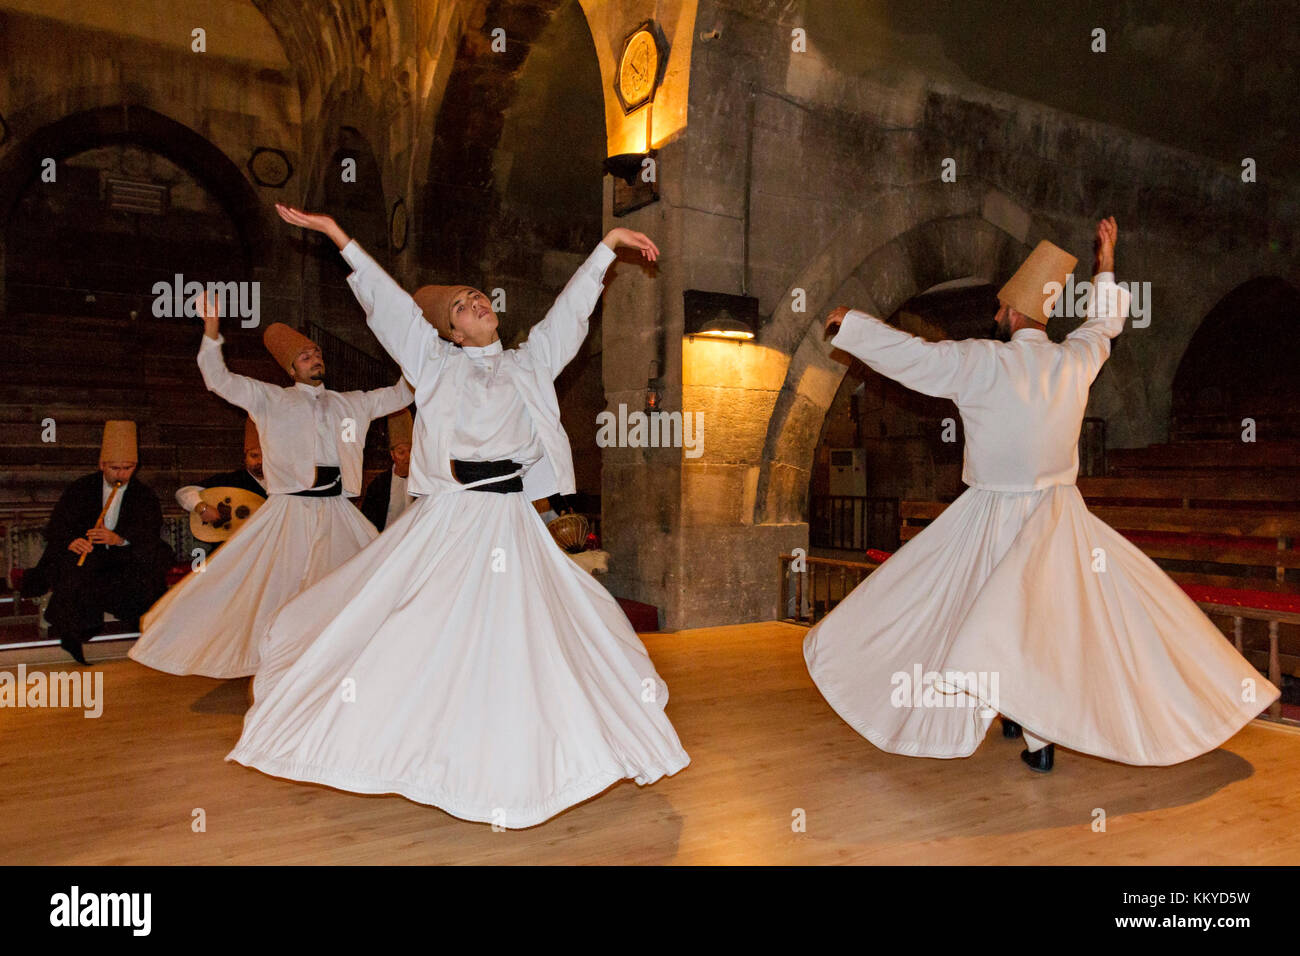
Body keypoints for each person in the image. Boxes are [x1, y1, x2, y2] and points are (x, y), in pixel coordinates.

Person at [227, 204, 689, 828]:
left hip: (510, 521)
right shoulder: (434, 365)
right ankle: (419, 741)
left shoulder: (531, 363)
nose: (477, 303)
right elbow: (387, 308)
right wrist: (340, 237)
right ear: (449, 332)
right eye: (463, 306)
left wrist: (607, 247)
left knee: (532, 634)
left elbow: (570, 314)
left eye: (480, 298)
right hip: (453, 519)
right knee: (424, 629)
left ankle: (516, 758)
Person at [804, 217, 1279, 772]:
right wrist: (1106, 264)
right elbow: (1104, 326)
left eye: (1000, 309)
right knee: (1040, 623)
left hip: (991, 515)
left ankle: (1036, 736)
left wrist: (853, 326)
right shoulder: (1073, 360)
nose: (996, 315)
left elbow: (917, 359)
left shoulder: (983, 360)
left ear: (1010, 313)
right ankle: (1028, 721)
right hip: (1060, 515)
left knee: (960, 610)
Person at [128, 300, 413, 678]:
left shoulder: (352, 404)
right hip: (291, 509)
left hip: (337, 510)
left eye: (316, 353)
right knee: (267, 584)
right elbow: (219, 379)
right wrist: (212, 328)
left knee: (373, 575)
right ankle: (278, 662)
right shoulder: (272, 400)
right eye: (305, 356)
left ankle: (348, 662)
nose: (314, 358)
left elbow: (402, 393)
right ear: (291, 367)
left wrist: (415, 345)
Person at [21, 421, 171, 664]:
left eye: (128, 468)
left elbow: (149, 533)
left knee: (145, 575)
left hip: (123, 558)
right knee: (74, 571)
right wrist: (72, 541)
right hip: (87, 557)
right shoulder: (81, 488)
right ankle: (73, 636)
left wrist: (120, 539)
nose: (121, 474)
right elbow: (57, 525)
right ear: (101, 465)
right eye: (114, 468)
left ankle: (146, 631)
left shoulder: (144, 495)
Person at [178, 418, 268, 555]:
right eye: (254, 456)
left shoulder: (283, 486)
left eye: (266, 456)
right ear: (245, 456)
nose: (260, 462)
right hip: (233, 552)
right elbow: (183, 493)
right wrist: (201, 507)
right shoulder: (231, 480)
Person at [360, 409, 414, 531]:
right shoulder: (379, 485)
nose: (407, 457)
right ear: (392, 454)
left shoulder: (421, 482)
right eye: (401, 452)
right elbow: (367, 523)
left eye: (410, 451)